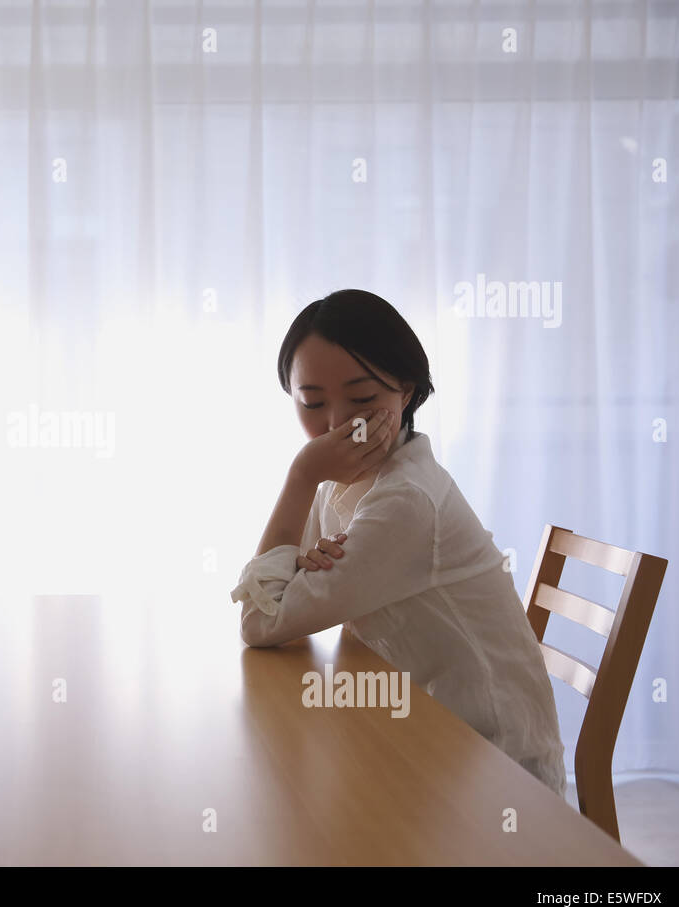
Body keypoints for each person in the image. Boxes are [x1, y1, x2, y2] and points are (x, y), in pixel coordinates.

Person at [230, 289, 567, 797]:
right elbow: (272, 601)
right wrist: (298, 562)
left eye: (363, 400)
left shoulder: (406, 501)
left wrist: (300, 475)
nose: (338, 424)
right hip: (418, 727)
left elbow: (262, 622)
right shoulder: (342, 481)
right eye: (313, 403)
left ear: (405, 392)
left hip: (493, 768)